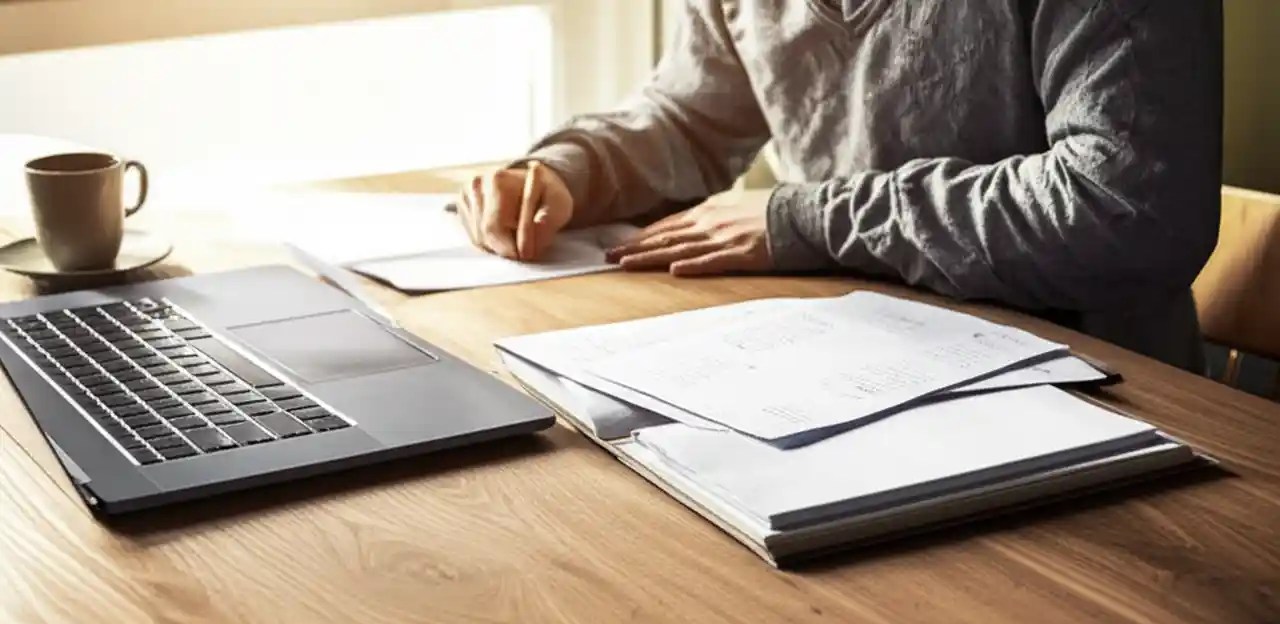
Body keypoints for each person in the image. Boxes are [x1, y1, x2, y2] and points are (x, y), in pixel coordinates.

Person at [456, 0, 1223, 371]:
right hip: (850, 367)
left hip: (1104, 401)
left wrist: (812, 219)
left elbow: (1128, 211)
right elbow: (692, 116)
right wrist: (567, 169)